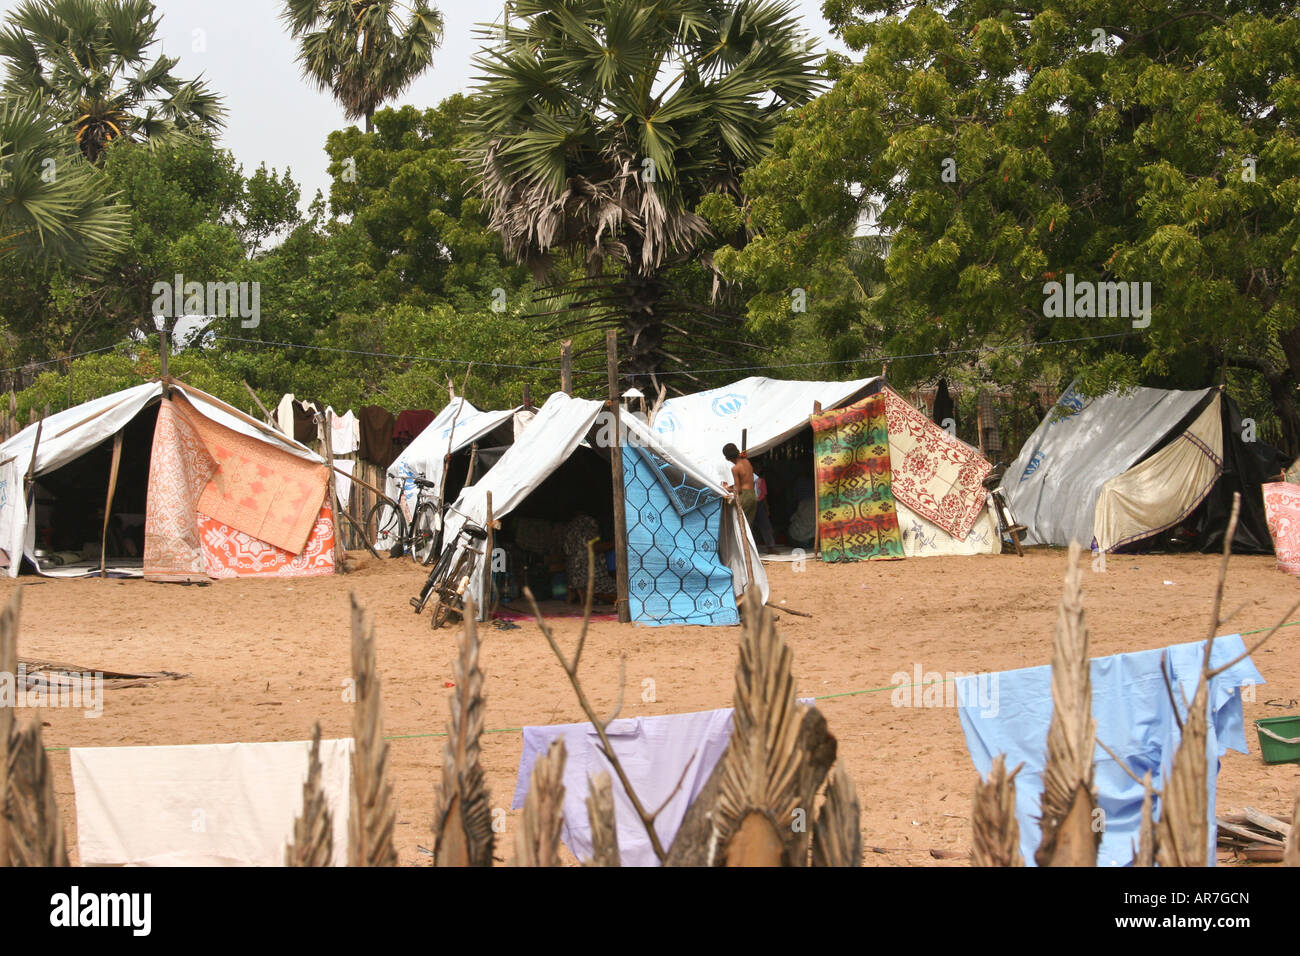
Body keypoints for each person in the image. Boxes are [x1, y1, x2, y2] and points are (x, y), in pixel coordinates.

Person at [722, 443, 757, 523]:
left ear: (727, 458)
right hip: (752, 495)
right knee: (748, 524)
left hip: (744, 497)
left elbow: (738, 489)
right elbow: (744, 482)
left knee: (740, 523)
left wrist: (727, 488)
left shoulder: (735, 468)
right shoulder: (747, 462)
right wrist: (730, 487)